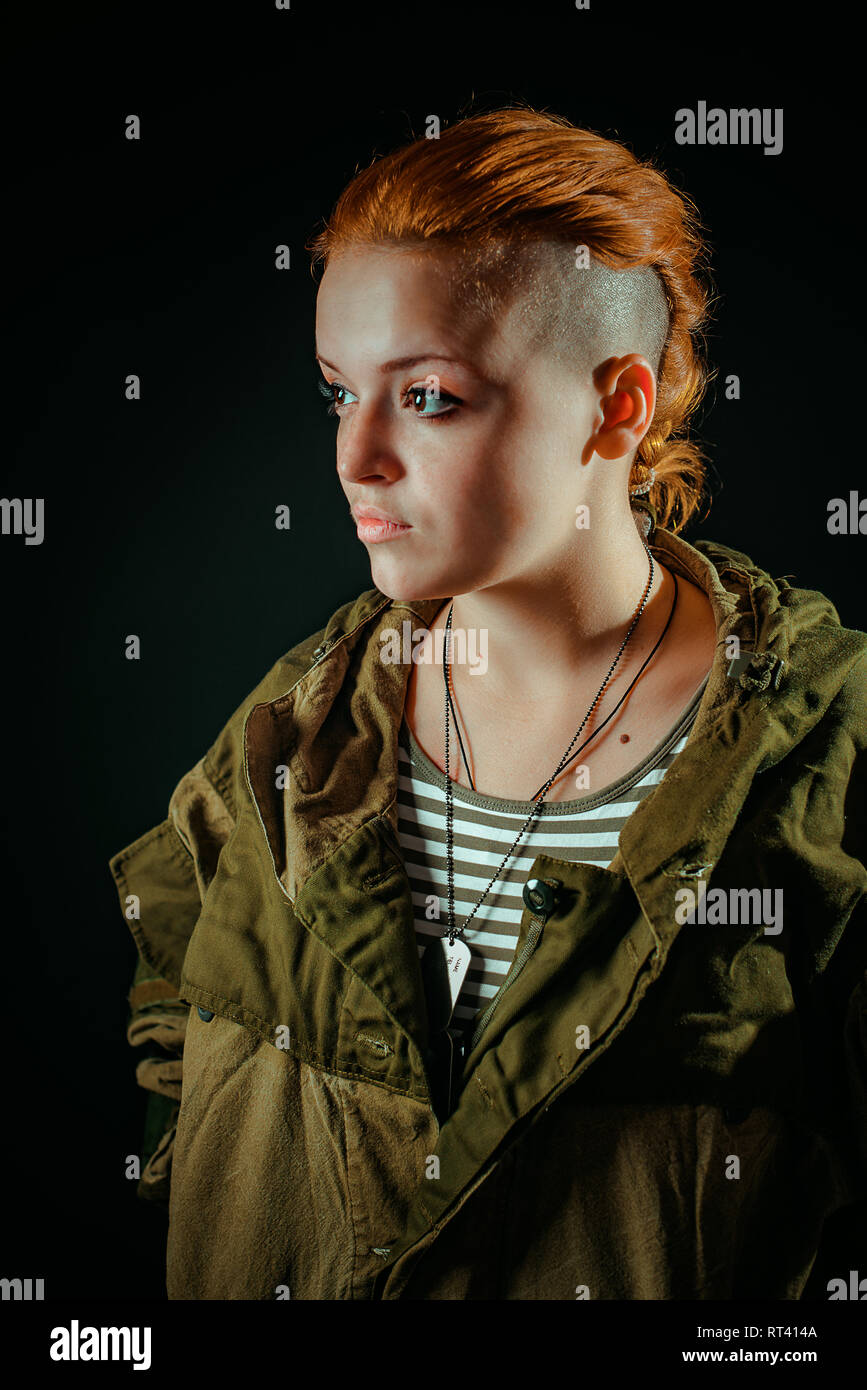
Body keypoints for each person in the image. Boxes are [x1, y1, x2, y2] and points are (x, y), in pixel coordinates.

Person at [109, 105, 867, 1300]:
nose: (355, 456)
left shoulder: (829, 755)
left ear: (617, 409)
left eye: (429, 399)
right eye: (335, 391)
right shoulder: (291, 734)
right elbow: (173, 1028)